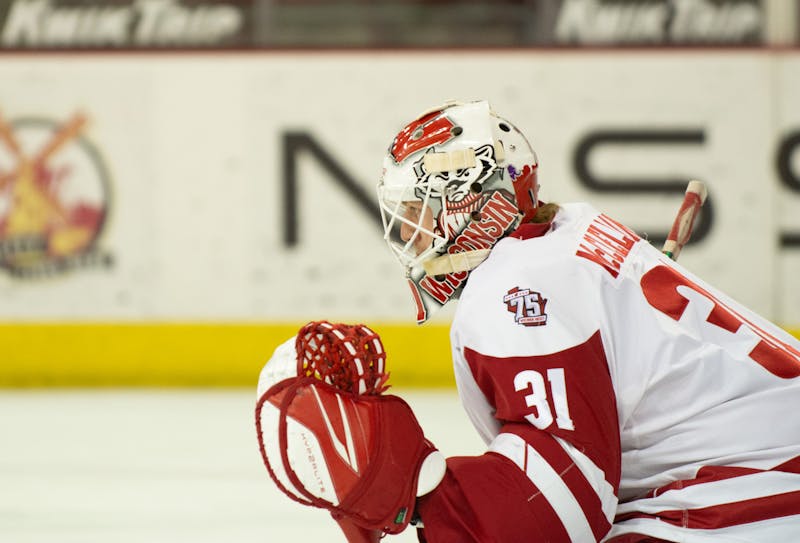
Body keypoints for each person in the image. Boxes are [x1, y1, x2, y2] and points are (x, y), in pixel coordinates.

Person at [257, 100, 800, 542]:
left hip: (755, 495)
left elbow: (564, 505)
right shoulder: (568, 233)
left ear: (468, 204)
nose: (406, 237)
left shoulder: (516, 287)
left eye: (417, 215)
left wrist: (417, 494)